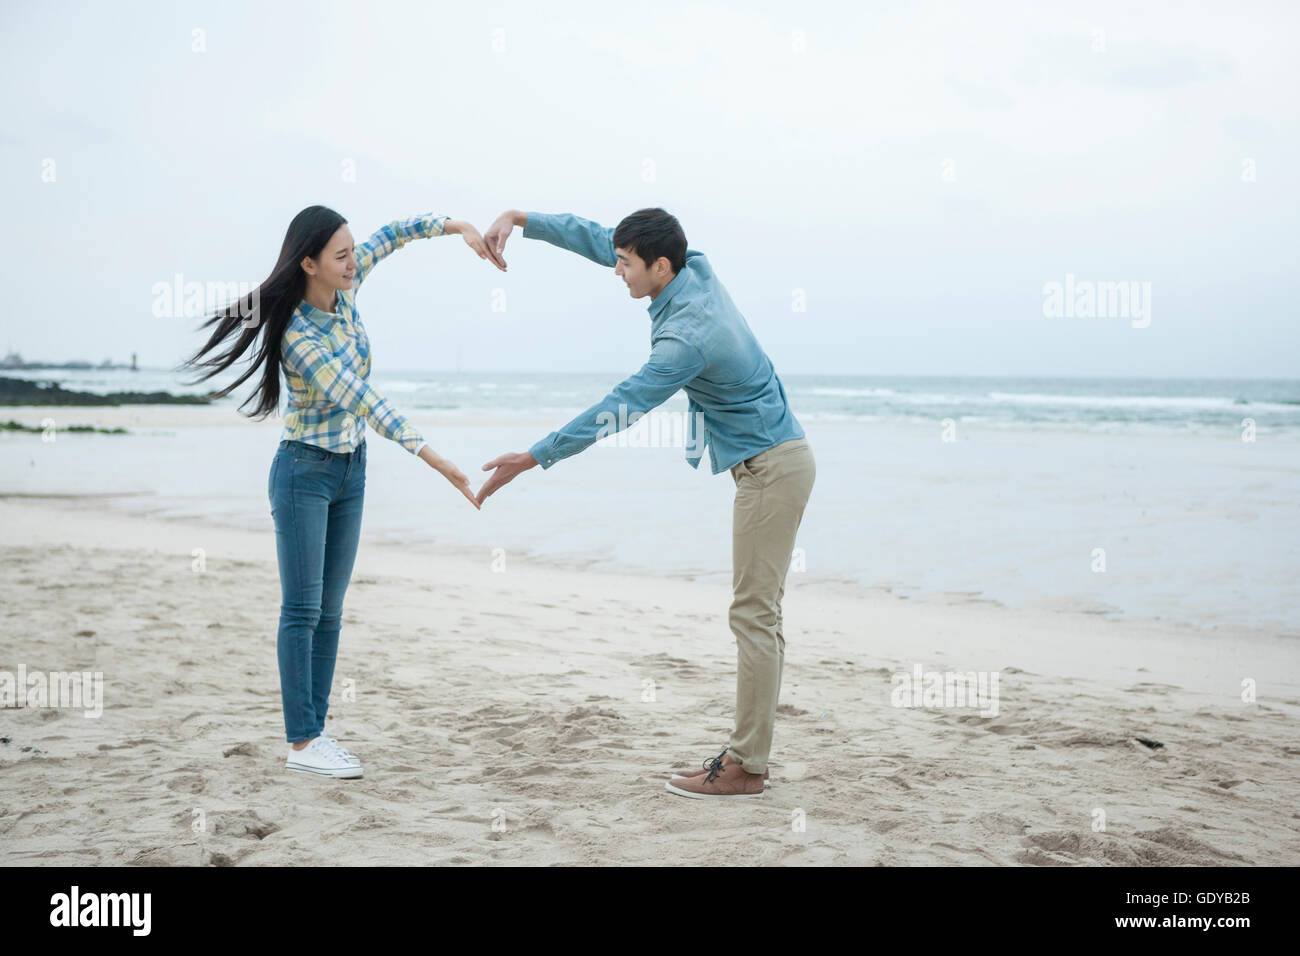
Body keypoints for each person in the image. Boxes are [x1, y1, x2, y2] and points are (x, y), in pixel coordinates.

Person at [476, 207, 815, 799]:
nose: (617, 270)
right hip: (777, 461)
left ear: (660, 266)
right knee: (762, 615)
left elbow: (621, 406)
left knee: (753, 615)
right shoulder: (695, 267)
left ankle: (747, 767)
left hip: (770, 471)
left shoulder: (687, 339)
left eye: (626, 264)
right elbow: (595, 237)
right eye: (619, 258)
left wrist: (536, 456)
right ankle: (750, 754)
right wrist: (522, 218)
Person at [181, 206, 490, 779]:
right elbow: (363, 399)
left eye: (352, 251)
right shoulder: (299, 337)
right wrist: (435, 457)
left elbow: (394, 235)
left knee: (331, 611)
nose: (353, 261)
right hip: (305, 472)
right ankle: (301, 742)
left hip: (352, 469)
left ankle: (315, 734)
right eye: (341, 255)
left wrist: (457, 228)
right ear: (309, 263)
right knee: (301, 608)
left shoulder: (345, 288)